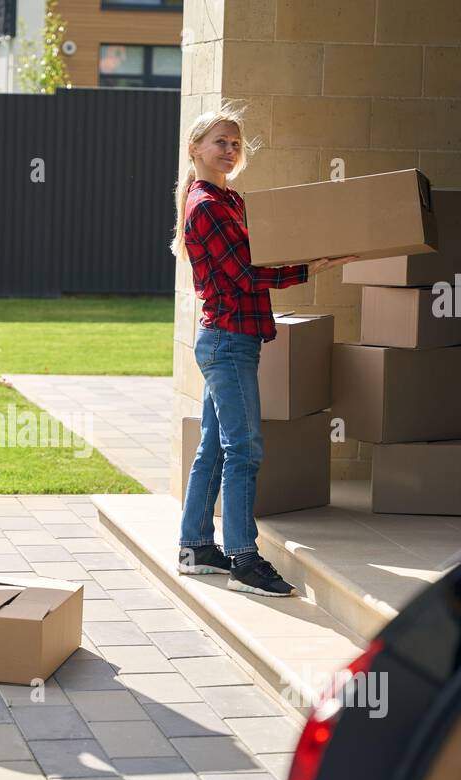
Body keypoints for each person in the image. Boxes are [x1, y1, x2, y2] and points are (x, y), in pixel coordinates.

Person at [173, 106, 356, 596]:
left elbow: (262, 252)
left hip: (236, 339)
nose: (231, 150)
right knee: (246, 450)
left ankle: (195, 545)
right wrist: (313, 268)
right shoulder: (208, 206)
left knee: (216, 446)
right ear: (196, 149)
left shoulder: (230, 199)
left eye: (236, 143)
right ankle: (243, 558)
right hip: (228, 343)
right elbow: (248, 273)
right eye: (220, 142)